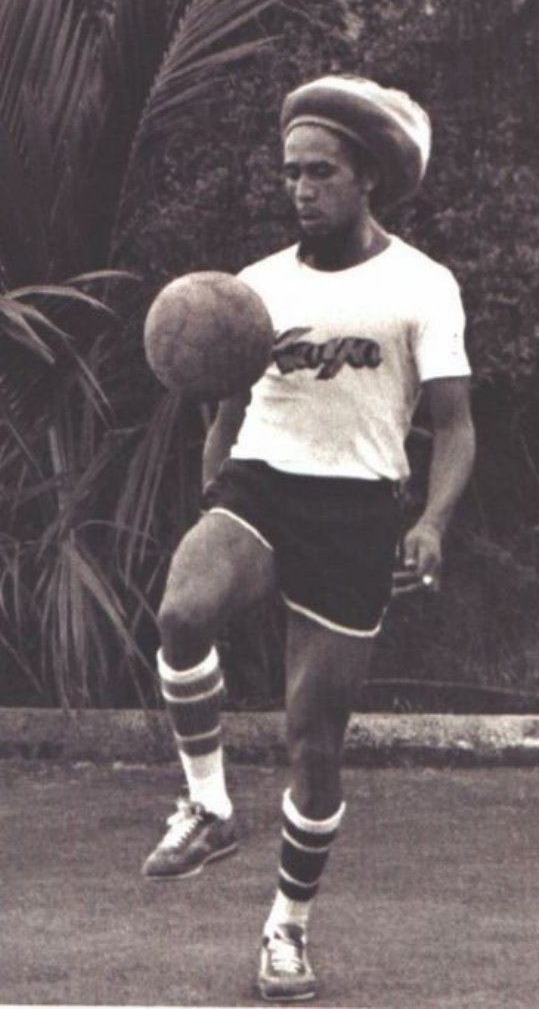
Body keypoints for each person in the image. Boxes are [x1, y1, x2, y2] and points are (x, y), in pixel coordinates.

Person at [141, 74, 476, 1003]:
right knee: (182, 612)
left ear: (366, 176)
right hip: (262, 483)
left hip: (357, 510)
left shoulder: (421, 286)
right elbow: (227, 407)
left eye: (320, 172)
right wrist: (214, 490)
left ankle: (286, 929)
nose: (300, 188)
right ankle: (209, 805)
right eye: (290, 172)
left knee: (314, 741)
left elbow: (454, 426)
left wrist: (433, 522)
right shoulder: (254, 288)